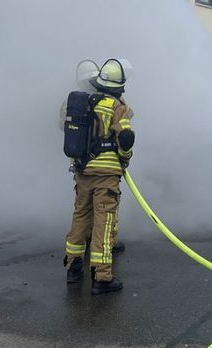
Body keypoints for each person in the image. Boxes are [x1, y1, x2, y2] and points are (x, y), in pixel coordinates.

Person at [63, 58, 135, 295]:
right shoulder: (116, 105)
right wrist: (125, 158)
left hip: (83, 170)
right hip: (106, 174)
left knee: (80, 215)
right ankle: (102, 277)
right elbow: (125, 138)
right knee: (104, 222)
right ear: (119, 84)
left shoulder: (87, 102)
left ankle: (73, 268)